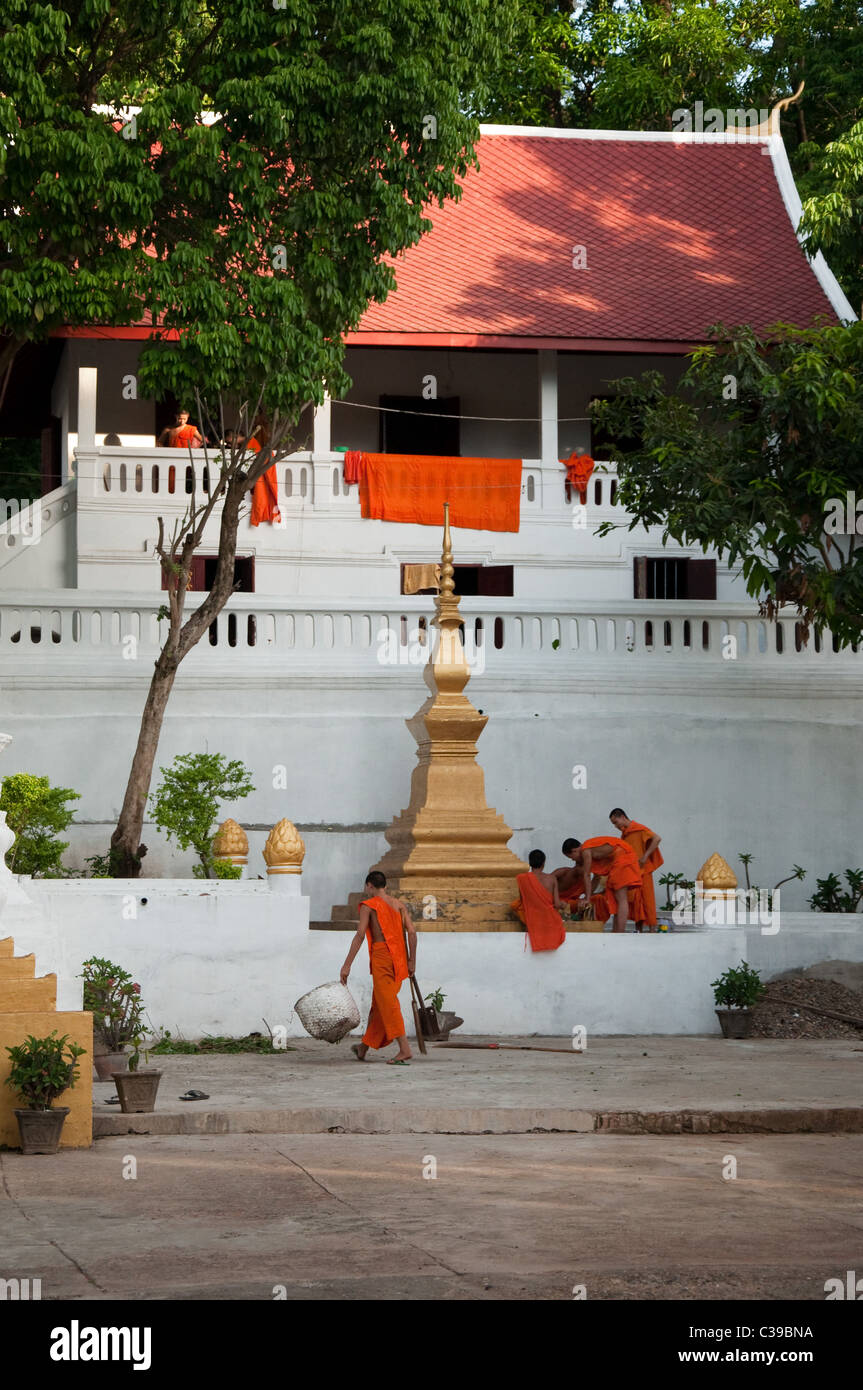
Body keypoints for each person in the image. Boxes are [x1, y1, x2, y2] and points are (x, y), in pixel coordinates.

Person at [340, 870, 416, 1065]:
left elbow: (359, 936)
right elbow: (412, 933)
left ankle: (404, 1049)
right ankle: (363, 1048)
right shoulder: (399, 905)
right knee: (380, 1005)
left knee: (388, 1003)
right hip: (399, 959)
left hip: (382, 957)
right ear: (386, 886)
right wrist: (411, 961)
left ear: (369, 886)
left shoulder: (369, 906)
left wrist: (346, 965)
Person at [559, 836, 645, 933]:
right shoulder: (591, 850)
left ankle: (620, 932)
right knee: (616, 900)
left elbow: (586, 875)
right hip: (619, 861)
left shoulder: (585, 851)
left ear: (574, 851)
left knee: (621, 897)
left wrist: (587, 898)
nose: (573, 860)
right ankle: (616, 931)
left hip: (623, 859)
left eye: (571, 858)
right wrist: (588, 896)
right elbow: (596, 877)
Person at [609, 808, 663, 932]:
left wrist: (645, 856)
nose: (616, 826)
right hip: (633, 872)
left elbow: (657, 839)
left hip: (644, 869)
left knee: (647, 900)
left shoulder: (638, 828)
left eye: (616, 822)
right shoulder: (625, 834)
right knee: (636, 901)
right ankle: (639, 930)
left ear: (623, 817)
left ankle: (652, 929)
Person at [510, 849, 566, 951]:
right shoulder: (551, 878)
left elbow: (523, 901)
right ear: (543, 863)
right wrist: (564, 905)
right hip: (549, 919)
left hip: (532, 918)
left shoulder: (522, 878)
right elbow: (557, 904)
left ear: (530, 863)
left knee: (515, 905)